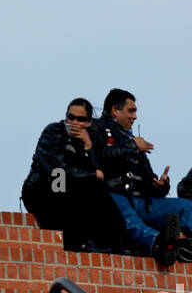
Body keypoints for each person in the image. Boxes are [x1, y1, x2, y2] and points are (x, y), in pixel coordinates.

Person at [91, 88, 192, 266]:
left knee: (184, 207)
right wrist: (132, 146)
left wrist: (161, 185)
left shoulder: (134, 140)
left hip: (141, 201)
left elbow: (147, 176)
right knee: (133, 224)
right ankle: (163, 246)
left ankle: (178, 245)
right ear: (115, 110)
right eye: (131, 110)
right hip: (113, 196)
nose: (135, 116)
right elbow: (99, 156)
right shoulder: (96, 128)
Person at [21, 98, 123, 252]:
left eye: (80, 119)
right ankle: (82, 243)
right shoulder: (54, 132)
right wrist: (93, 174)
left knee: (101, 195)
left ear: (88, 122)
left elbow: (100, 176)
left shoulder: (90, 139)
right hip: (44, 187)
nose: (74, 122)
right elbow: (57, 171)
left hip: (72, 189)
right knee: (67, 188)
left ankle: (115, 244)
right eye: (71, 117)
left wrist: (88, 148)